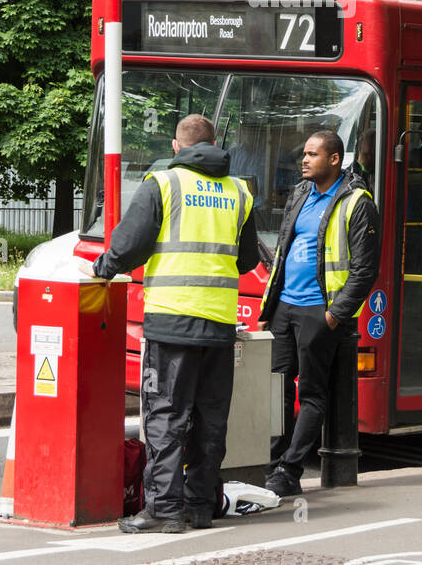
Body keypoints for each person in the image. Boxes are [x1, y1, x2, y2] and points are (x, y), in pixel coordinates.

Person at [92, 113, 259, 533]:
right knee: (209, 418)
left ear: (175, 146)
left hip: (171, 321)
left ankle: (164, 510)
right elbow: (248, 259)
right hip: (219, 325)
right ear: (215, 144)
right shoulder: (239, 191)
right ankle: (200, 506)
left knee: (166, 416)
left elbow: (128, 245)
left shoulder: (164, 184)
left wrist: (103, 267)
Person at [257, 129, 380, 498]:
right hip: (286, 308)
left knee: (311, 394)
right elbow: (282, 253)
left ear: (334, 159)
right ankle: (271, 463)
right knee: (276, 387)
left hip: (318, 312)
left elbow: (364, 269)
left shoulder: (357, 202)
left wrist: (335, 315)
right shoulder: (300, 193)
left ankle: (290, 471)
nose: (304, 160)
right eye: (304, 154)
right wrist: (269, 306)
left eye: (312, 154)